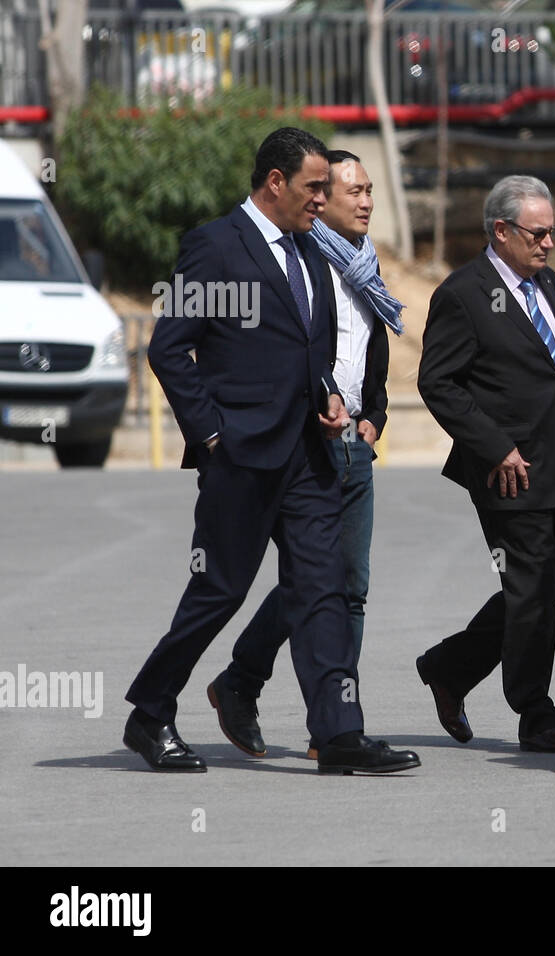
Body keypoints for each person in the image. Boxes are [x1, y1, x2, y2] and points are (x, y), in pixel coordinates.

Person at [124, 127, 419, 775]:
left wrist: (329, 397)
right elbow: (170, 348)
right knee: (220, 591)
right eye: (315, 186)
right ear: (275, 182)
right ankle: (150, 712)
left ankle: (340, 734)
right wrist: (210, 434)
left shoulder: (313, 251)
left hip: (311, 459)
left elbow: (304, 349)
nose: (325, 197)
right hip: (242, 459)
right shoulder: (214, 246)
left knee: (323, 591)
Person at [207, 149, 406, 760]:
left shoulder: (365, 266)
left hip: (351, 445)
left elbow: (368, 351)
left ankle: (322, 721)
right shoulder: (296, 259)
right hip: (293, 446)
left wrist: (373, 415)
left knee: (345, 587)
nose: (366, 201)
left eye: (371, 190)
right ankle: (277, 697)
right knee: (310, 583)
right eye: (353, 191)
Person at [415, 175, 555, 753]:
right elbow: (437, 382)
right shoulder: (464, 293)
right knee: (530, 585)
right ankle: (534, 710)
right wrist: (494, 446)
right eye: (538, 233)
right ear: (501, 230)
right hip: (507, 468)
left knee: (551, 582)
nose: (548, 244)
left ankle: (449, 666)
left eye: (553, 233)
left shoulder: (546, 283)